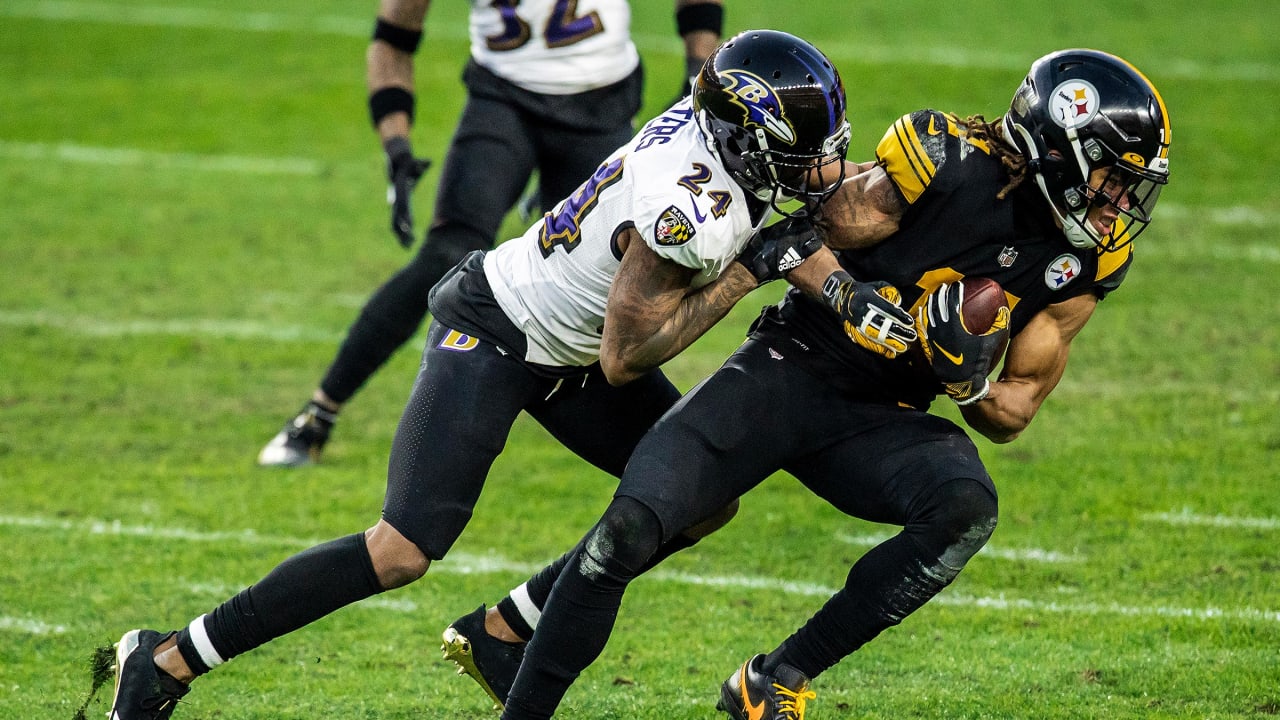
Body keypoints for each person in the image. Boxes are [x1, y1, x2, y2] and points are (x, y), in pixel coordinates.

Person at [102, 29, 864, 720]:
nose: (823, 165)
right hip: (499, 332)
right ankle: (166, 660)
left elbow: (837, 202)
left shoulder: (722, 147)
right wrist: (748, 273)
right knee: (401, 549)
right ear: (744, 140)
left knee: (700, 498)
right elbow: (626, 356)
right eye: (807, 149)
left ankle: (506, 632)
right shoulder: (684, 204)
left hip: (567, 350)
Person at [485, 48, 1172, 720]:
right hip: (794, 364)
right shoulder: (943, 158)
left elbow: (1015, 407)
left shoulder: (1088, 260)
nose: (1120, 202)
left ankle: (773, 679)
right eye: (1113, 178)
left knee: (965, 507)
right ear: (1058, 149)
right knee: (631, 528)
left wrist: (966, 385)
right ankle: (512, 655)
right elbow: (801, 232)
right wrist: (854, 299)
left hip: (884, 415)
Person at [258, 0, 728, 467]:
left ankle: (666, 460)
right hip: (505, 102)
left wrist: (695, 70)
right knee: (445, 253)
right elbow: (392, 38)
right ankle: (319, 413)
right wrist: (395, 144)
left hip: (601, 106)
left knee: (625, 280)